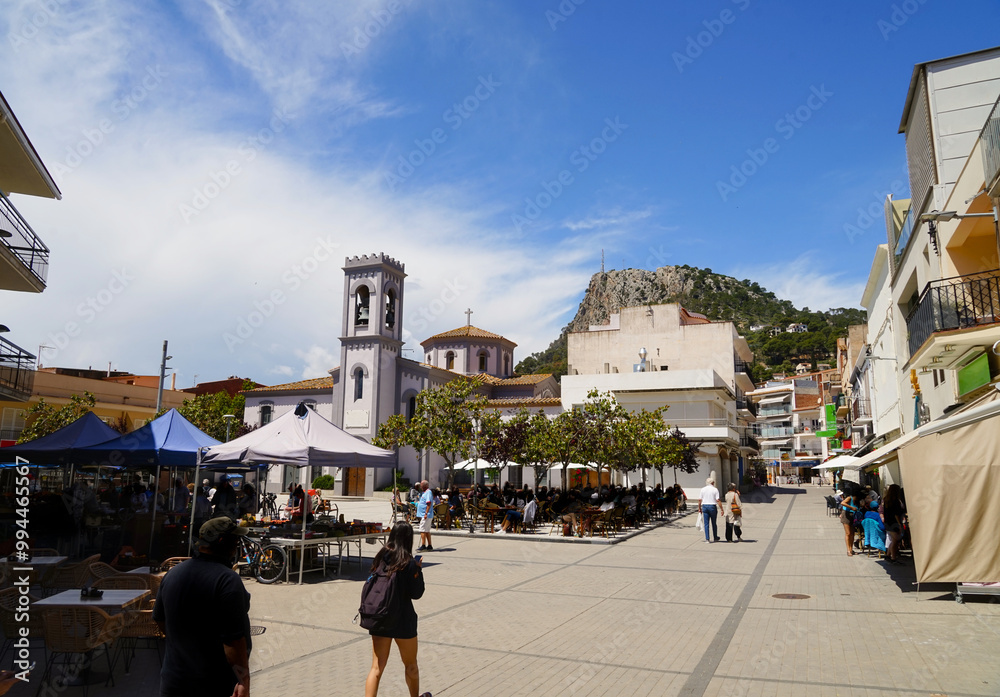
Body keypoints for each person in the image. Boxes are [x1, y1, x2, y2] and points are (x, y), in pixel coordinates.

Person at [154, 517, 252, 697]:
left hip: (173, 683)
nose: (237, 545)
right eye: (235, 540)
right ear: (223, 541)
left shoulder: (173, 574)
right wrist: (243, 681)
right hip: (213, 685)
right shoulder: (228, 580)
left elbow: (160, 619)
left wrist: (185, 643)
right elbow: (234, 642)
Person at [364, 523, 429, 697]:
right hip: (402, 620)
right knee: (411, 665)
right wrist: (418, 570)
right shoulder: (408, 563)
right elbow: (417, 593)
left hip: (380, 616)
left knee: (376, 667)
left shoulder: (380, 557)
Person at [881, 484, 905, 563]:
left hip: (888, 522)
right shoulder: (896, 501)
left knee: (893, 540)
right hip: (894, 523)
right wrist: (899, 524)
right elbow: (896, 514)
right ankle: (893, 557)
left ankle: (888, 555)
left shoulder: (886, 499)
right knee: (896, 540)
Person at [698, 477, 721, 543]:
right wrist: (721, 508)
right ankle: (715, 537)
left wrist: (699, 508)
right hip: (712, 506)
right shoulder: (715, 489)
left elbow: (700, 500)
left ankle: (707, 538)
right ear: (712, 483)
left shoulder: (703, 489)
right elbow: (717, 500)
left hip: (705, 506)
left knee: (706, 523)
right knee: (714, 523)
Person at [839, 485, 860, 557]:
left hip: (853, 516)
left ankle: (851, 549)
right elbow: (842, 503)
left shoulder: (858, 500)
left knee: (852, 534)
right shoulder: (849, 498)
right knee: (848, 533)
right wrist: (851, 507)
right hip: (846, 515)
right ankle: (848, 550)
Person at [415, 481, 434, 552]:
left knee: (422, 529)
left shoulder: (428, 492)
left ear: (425, 486)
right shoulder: (425, 493)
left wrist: (426, 513)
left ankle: (423, 545)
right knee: (426, 530)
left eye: (421, 485)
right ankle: (429, 545)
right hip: (425, 514)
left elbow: (428, 503)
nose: (420, 487)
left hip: (426, 515)